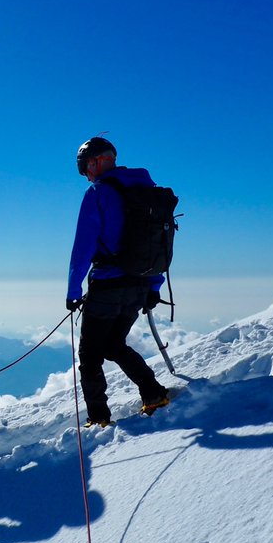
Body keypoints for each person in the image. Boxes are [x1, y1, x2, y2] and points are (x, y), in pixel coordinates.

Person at [67, 137, 171, 427]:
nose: (86, 176)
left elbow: (83, 248)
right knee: (113, 345)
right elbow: (156, 244)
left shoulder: (98, 193)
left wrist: (73, 291)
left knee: (89, 355)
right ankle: (154, 394)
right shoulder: (147, 190)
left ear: (94, 162)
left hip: (108, 285)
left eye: (84, 169)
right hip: (140, 285)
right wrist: (153, 287)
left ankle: (99, 419)